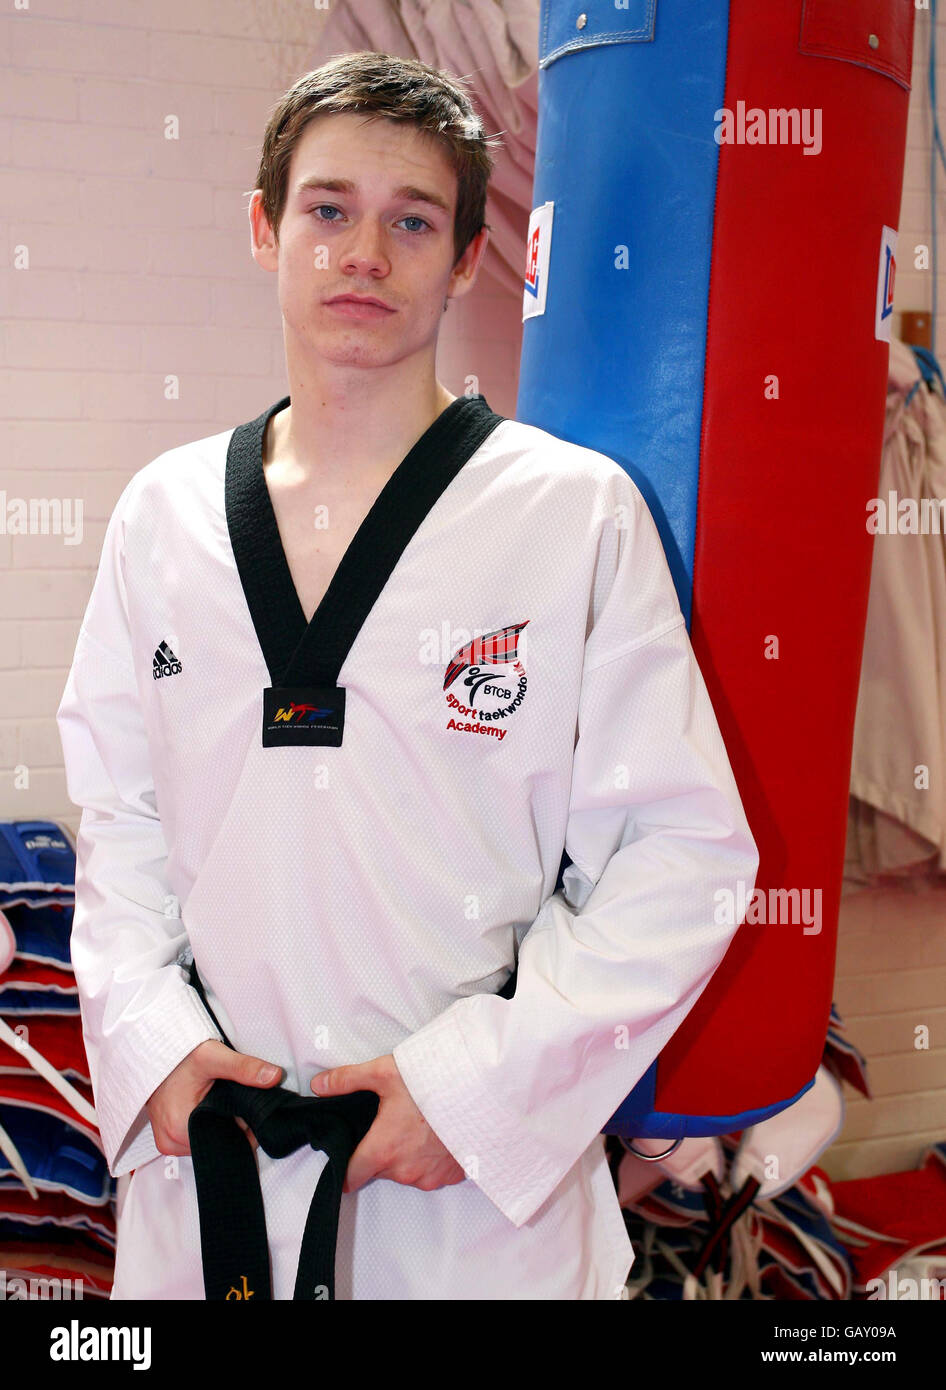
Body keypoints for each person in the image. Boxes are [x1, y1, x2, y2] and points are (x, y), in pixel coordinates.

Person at [56, 50, 759, 1300]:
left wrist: (478, 1093)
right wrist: (154, 1047)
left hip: (465, 1211)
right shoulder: (160, 515)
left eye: (411, 220)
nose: (363, 252)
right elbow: (120, 820)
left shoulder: (571, 514)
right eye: (327, 209)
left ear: (468, 256)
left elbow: (683, 854)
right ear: (265, 227)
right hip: (209, 1163)